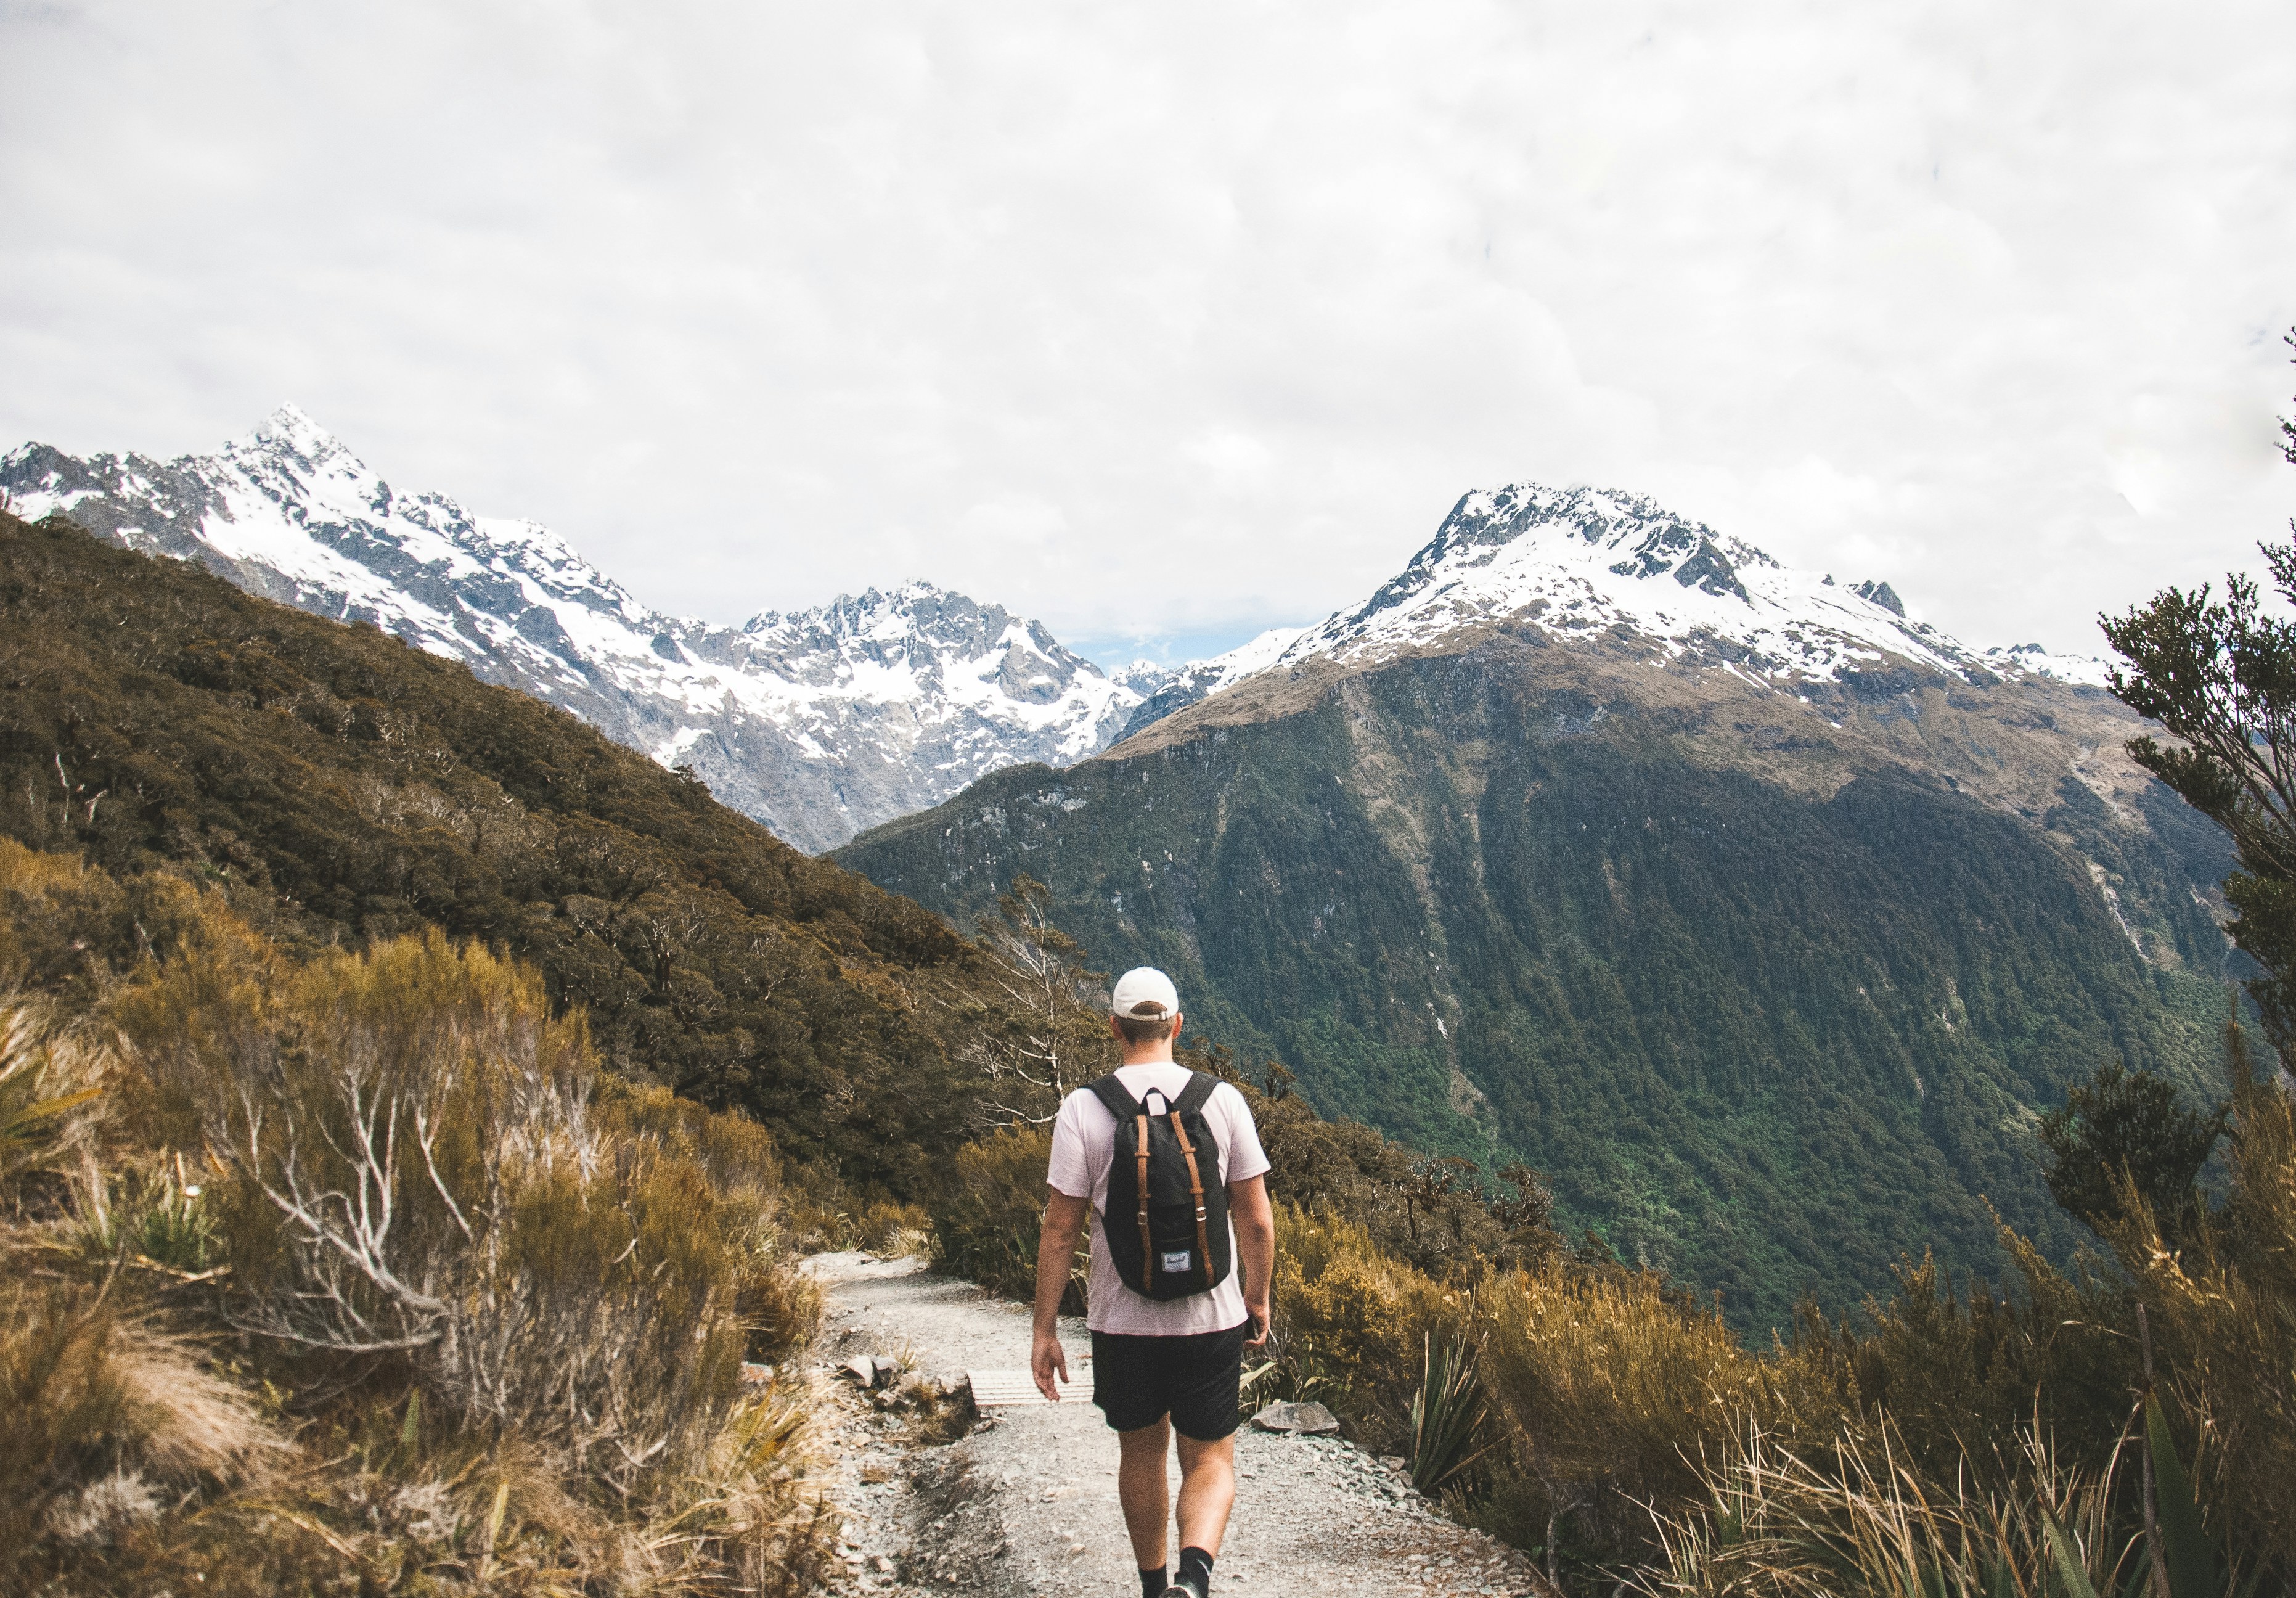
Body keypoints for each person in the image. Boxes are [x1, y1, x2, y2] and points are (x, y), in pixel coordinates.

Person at [1032, 967, 1276, 1598]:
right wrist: (1256, 1297)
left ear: (1112, 1028)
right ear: (1176, 1025)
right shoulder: (1221, 1101)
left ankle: (1151, 1587)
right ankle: (1192, 1582)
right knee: (1210, 1460)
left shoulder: (1082, 1109)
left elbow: (1059, 1230)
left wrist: (1043, 1331)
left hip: (1123, 1321)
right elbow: (1254, 1219)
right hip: (1210, 1317)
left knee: (1140, 1455)